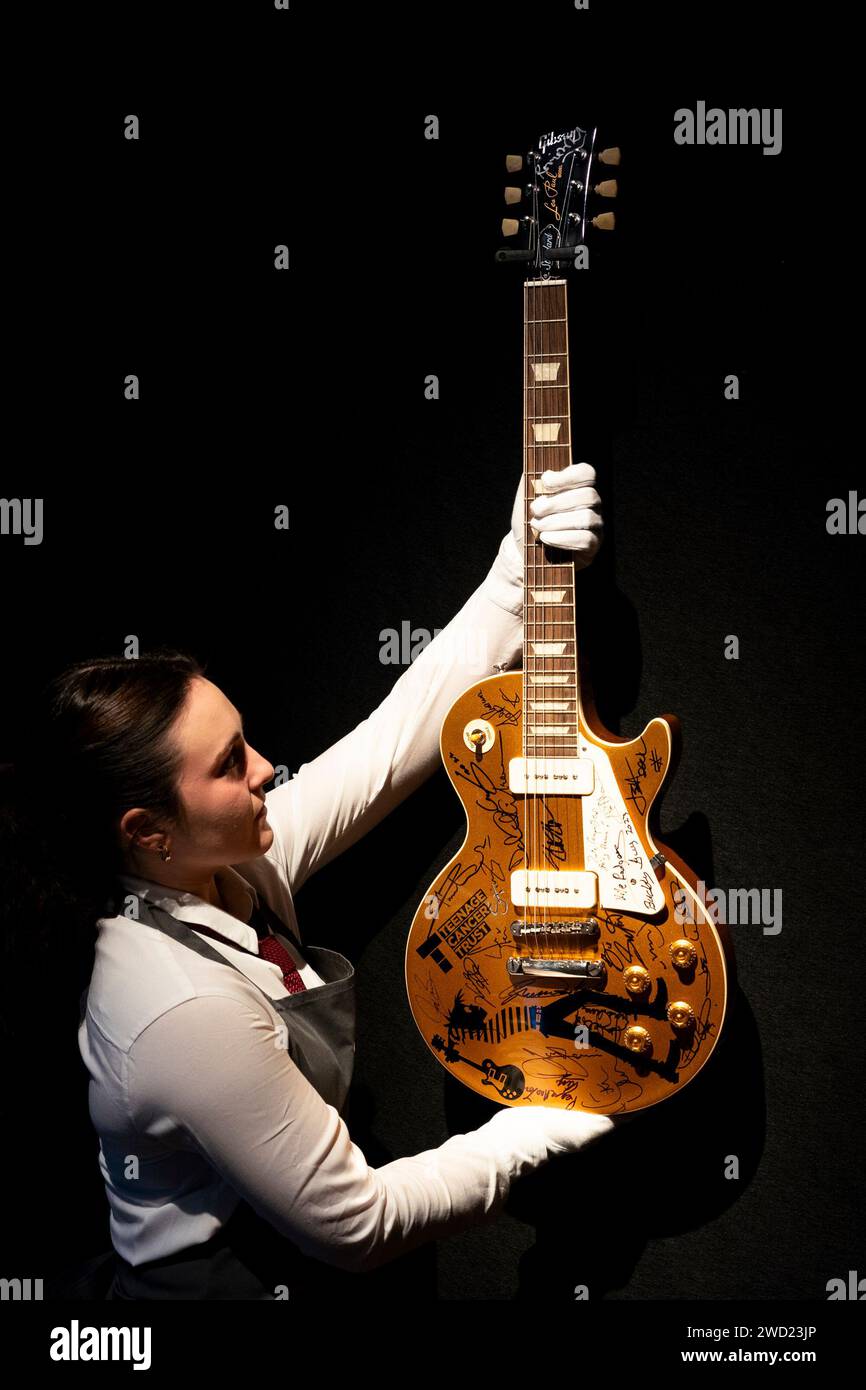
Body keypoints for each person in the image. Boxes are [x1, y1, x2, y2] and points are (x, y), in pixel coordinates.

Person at [5, 462, 623, 1300]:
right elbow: (358, 1228)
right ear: (148, 833)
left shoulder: (224, 862)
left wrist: (515, 577)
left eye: (246, 741)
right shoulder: (178, 1006)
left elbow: (385, 744)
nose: (265, 769)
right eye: (230, 766)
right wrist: (532, 1130)